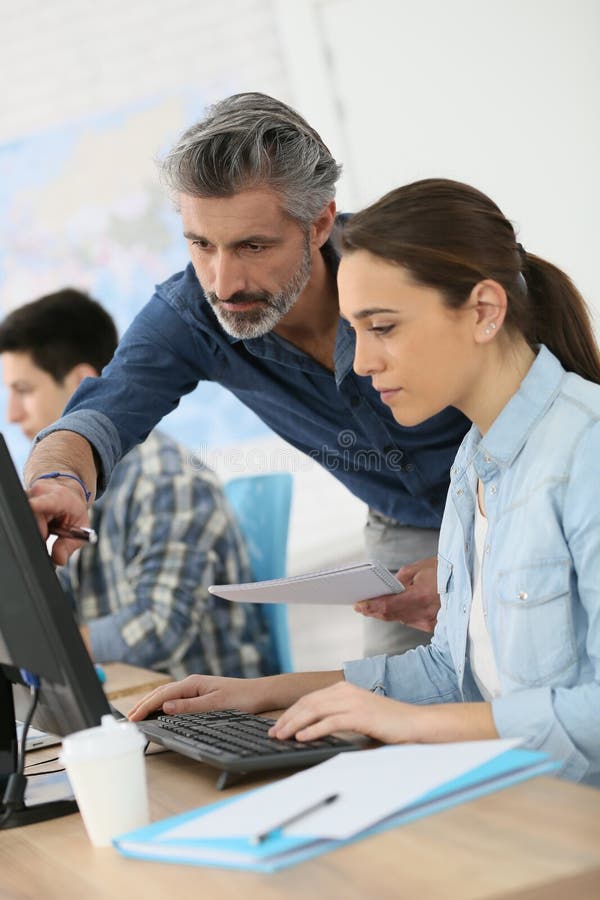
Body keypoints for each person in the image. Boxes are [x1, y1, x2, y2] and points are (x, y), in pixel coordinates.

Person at [129, 179, 600, 785]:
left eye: (382, 327)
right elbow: (452, 672)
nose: (361, 362)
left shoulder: (584, 451)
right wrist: (271, 692)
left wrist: (408, 725)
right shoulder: (474, 463)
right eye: (355, 330)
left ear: (484, 311)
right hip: (524, 804)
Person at [22, 93, 470, 658]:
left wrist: (474, 559)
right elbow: (98, 416)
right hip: (402, 524)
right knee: (383, 717)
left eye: (253, 246)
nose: (224, 282)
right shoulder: (191, 314)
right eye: (201, 244)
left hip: (514, 496)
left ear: (319, 222)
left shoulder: (413, 266)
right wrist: (59, 481)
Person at [0, 289, 276, 679]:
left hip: (208, 714)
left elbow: (161, 626)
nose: (11, 414)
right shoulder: (67, 490)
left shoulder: (167, 477)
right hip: (129, 700)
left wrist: (47, 647)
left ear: (81, 383)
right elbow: (58, 607)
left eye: (23, 391)